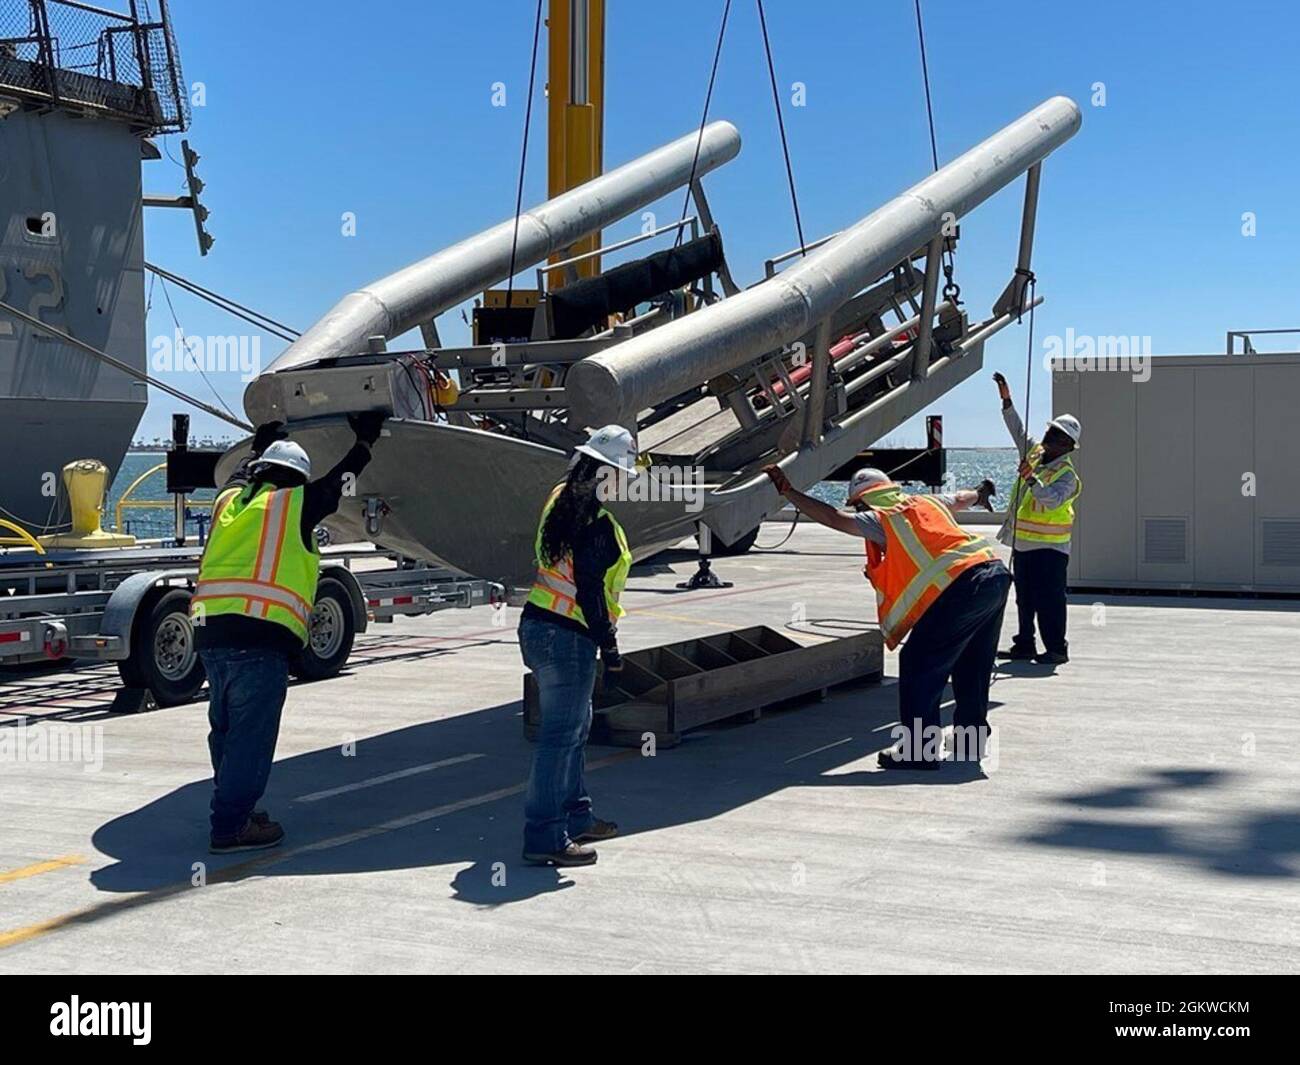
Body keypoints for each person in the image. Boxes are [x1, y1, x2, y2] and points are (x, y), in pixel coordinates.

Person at [191, 413, 383, 853]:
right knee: (250, 738)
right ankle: (230, 826)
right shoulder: (295, 503)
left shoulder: (231, 502)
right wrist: (366, 440)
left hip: (212, 637)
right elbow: (342, 480)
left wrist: (261, 445)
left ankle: (233, 809)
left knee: (226, 731)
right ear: (296, 478)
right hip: (260, 642)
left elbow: (242, 475)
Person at [764, 464, 1009, 770]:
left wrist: (789, 493)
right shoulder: (927, 501)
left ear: (863, 500)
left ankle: (920, 749)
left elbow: (832, 517)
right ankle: (969, 740)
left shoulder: (879, 518)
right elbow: (962, 498)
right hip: (994, 573)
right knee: (972, 662)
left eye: (858, 504)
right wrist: (983, 491)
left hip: (962, 587)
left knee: (918, 662)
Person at [519, 425, 637, 866]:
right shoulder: (597, 524)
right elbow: (589, 591)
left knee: (573, 731)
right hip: (568, 637)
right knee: (559, 738)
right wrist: (610, 645)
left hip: (538, 627)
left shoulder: (561, 500)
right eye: (622, 474)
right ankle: (545, 837)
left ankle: (576, 815)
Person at [992, 372, 1082, 665]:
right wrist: (1007, 400)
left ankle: (1057, 648)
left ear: (1068, 446)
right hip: (1025, 545)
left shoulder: (1067, 475)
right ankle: (1025, 644)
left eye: (1056, 436)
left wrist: (1031, 480)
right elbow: (1018, 430)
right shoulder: (1034, 455)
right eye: (1050, 431)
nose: (1049, 437)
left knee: (1051, 601)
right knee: (1024, 599)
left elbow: (1052, 499)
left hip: (1051, 549)